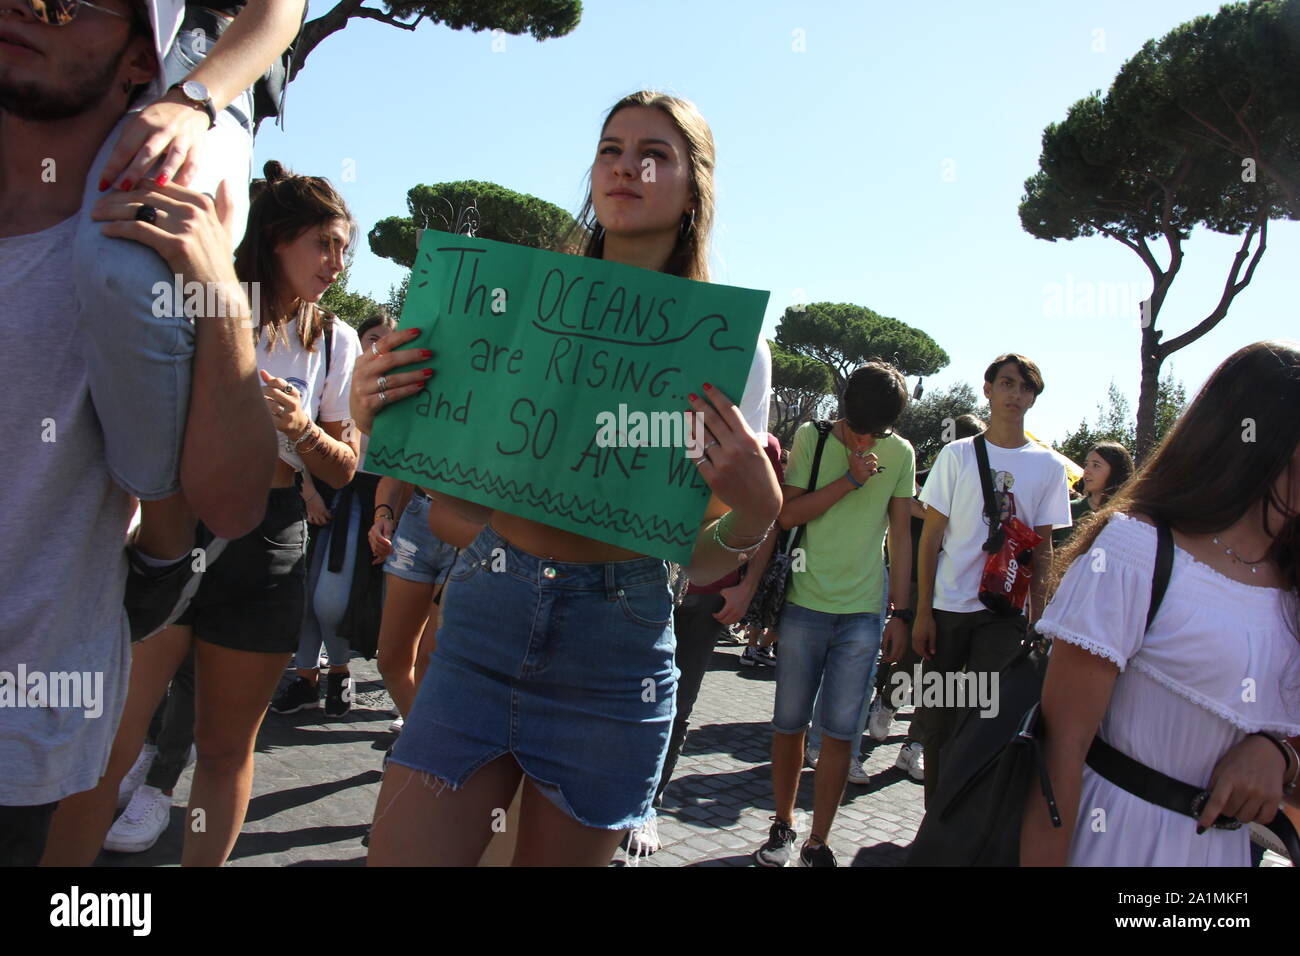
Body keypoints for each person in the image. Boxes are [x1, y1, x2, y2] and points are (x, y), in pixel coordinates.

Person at [356, 90, 781, 867]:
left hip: (616, 659)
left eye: (655, 154)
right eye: (611, 149)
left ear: (695, 188)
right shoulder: (512, 308)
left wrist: (755, 518)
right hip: (482, 618)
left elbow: (698, 558)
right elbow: (454, 508)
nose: (626, 167)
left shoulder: (730, 351)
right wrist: (376, 415)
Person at [0, 0, 274, 866]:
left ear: (137, 60)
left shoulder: (146, 264)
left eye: (69, 0)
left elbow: (230, 504)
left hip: (26, 738)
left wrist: (223, 299)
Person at [40, 162, 362, 866]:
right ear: (277, 238)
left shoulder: (335, 340)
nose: (338, 264)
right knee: (110, 743)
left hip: (271, 547)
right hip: (178, 531)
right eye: (326, 245)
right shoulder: (210, 301)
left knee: (223, 749)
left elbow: (344, 467)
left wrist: (303, 430)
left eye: (346, 249)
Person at [75, 0, 305, 639]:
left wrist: (197, 97)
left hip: (196, 75)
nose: (336, 263)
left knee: (130, 268)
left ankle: (166, 535)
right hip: (89, 73)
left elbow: (280, 7)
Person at [1022, 341, 1300, 866]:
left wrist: (1277, 754)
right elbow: (1056, 757)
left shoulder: (1292, 584)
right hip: (1114, 843)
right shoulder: (1136, 551)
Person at [754, 363, 916, 867]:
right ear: (844, 410)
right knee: (788, 724)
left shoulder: (901, 451)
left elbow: (901, 535)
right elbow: (788, 515)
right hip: (804, 604)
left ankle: (818, 841)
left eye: (878, 431)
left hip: (864, 614)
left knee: (843, 733)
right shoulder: (812, 437)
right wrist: (850, 478)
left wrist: (903, 614)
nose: (868, 438)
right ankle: (782, 826)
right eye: (859, 427)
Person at [912, 354, 1072, 805]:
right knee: (938, 718)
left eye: (1025, 388)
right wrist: (922, 611)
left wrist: (1039, 619)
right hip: (948, 607)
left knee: (984, 718)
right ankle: (934, 818)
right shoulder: (956, 454)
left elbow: (1044, 550)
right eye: (1006, 383)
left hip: (1003, 613)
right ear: (988, 389)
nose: (1015, 395)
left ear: (1033, 398)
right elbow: (931, 539)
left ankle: (966, 818)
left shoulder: (1049, 466)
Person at [628, 432, 785, 856]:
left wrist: (748, 586)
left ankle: (647, 805)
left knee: (677, 705)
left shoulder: (759, 443)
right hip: (636, 583)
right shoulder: (652, 421)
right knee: (619, 695)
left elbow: (766, 517)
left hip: (706, 597)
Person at [272, 310, 397, 718]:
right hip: (314, 495)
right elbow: (303, 442)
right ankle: (306, 680)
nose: (378, 345)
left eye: (387, 340)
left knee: (330, 599)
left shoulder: (400, 391)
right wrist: (309, 494)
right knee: (302, 597)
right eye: (372, 337)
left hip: (363, 505)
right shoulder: (336, 377)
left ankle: (340, 673)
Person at [868, 413, 986, 782]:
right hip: (921, 582)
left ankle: (915, 743)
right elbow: (905, 509)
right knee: (910, 658)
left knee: (942, 672)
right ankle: (887, 702)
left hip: (960, 589)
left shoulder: (985, 486)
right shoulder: (927, 477)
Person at [1053, 440, 1134, 548]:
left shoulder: (1131, 518)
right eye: (1086, 464)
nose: (1087, 471)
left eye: (1096, 465)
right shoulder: (1066, 510)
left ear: (1116, 471)